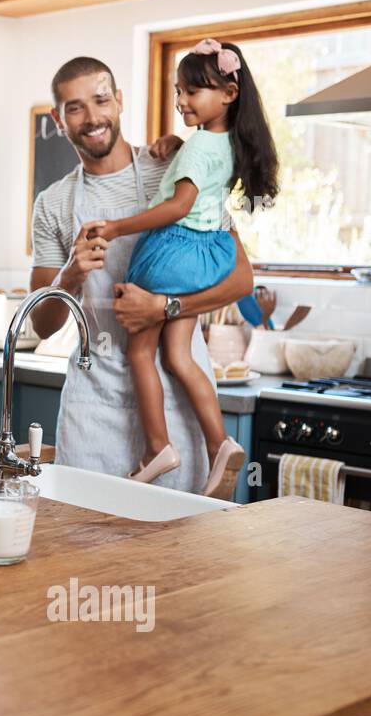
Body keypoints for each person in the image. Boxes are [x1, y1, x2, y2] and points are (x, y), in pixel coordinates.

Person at [30, 56, 255, 497]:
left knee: (180, 554)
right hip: (93, 410)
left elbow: (241, 281)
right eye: (75, 108)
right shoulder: (53, 203)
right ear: (58, 119)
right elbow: (42, 325)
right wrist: (71, 274)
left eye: (100, 100)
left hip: (178, 403)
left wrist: (165, 307)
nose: (93, 117)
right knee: (88, 542)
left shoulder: (171, 171)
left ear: (119, 101)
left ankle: (165, 446)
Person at [83, 39, 277, 494]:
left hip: (171, 249)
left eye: (193, 92)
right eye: (178, 91)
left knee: (138, 353)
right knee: (178, 357)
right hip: (205, 254)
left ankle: (157, 449)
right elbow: (200, 179)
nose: (181, 101)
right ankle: (219, 444)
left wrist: (116, 227)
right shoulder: (225, 143)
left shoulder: (196, 149)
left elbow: (177, 206)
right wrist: (177, 146)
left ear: (229, 93)